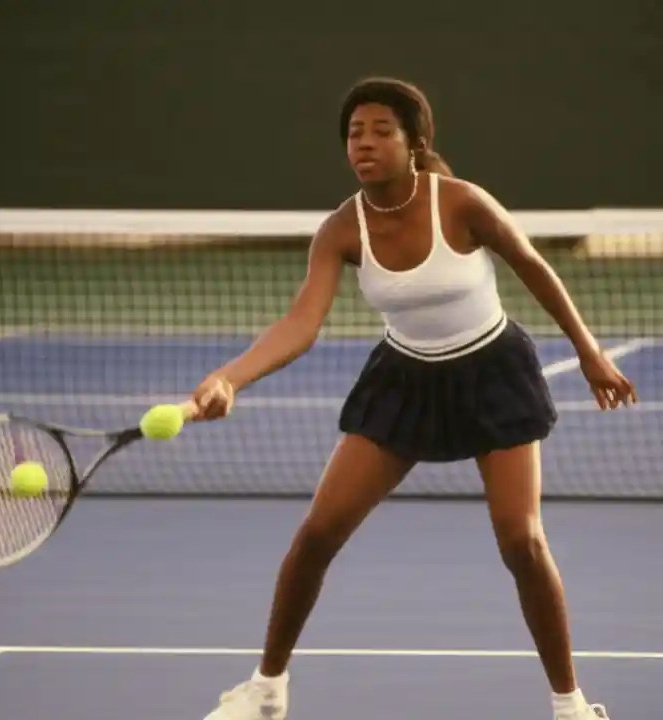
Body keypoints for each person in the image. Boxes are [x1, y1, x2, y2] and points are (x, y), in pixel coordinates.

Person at [190, 77, 636, 720]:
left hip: (492, 375)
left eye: (380, 131)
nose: (364, 143)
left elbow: (533, 265)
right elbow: (300, 323)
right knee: (317, 533)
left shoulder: (461, 203)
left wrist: (592, 352)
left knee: (521, 541)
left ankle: (570, 706)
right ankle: (266, 690)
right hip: (405, 382)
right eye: (354, 133)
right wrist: (231, 376)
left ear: (414, 143)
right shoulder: (341, 230)